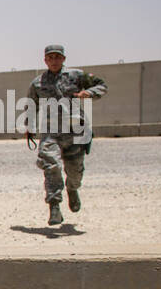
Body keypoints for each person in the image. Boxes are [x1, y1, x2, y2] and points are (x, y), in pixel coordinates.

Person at [24, 44, 107, 225]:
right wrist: (29, 127)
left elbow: (102, 85)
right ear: (45, 60)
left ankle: (72, 189)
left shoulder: (77, 76)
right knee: (50, 165)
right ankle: (54, 206)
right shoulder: (37, 83)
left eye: (57, 57)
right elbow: (31, 105)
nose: (54, 60)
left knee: (75, 170)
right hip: (50, 131)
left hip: (74, 130)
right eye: (50, 57)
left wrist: (89, 92)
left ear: (63, 59)